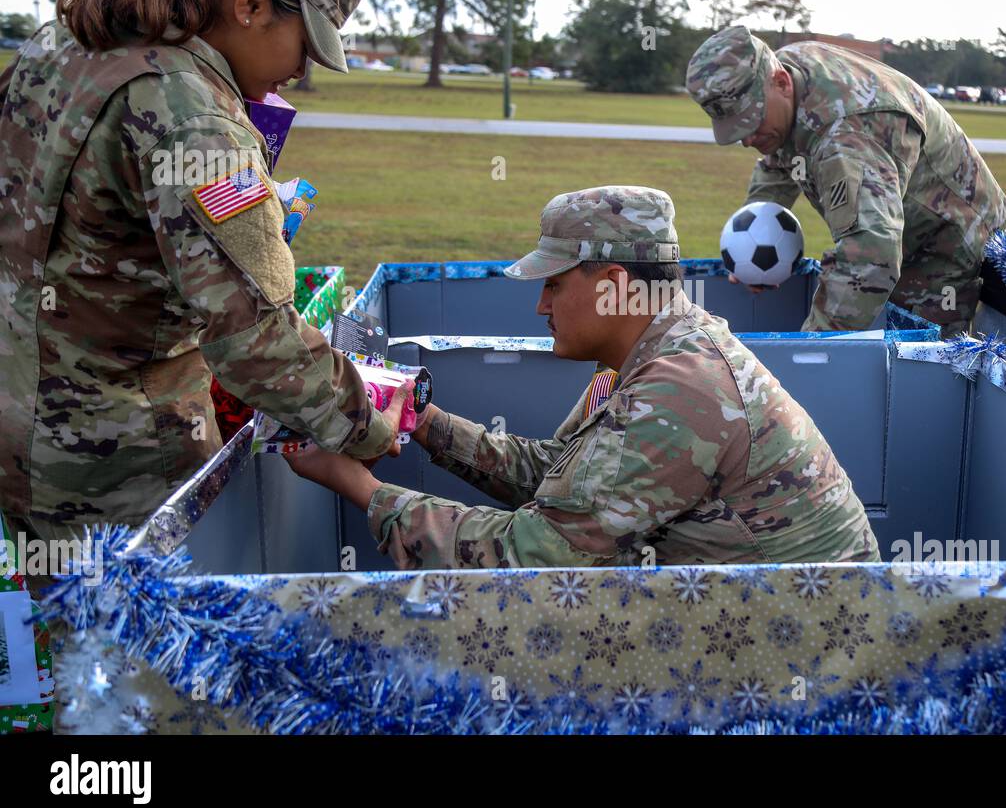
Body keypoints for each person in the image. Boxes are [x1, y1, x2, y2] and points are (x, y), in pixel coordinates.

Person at [0, 0, 401, 542]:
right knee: (151, 642)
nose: (300, 71)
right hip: (125, 461)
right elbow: (256, 344)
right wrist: (370, 426)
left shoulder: (64, 46)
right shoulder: (196, 120)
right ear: (250, 4)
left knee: (64, 631)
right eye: (305, 45)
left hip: (22, 422)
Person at [285, 186, 880, 569]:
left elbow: (531, 557)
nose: (541, 307)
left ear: (613, 283)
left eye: (553, 283)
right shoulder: (661, 347)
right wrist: (423, 419)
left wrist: (358, 486)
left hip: (804, 641)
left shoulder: (680, 391)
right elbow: (555, 478)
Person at [686, 25, 1006, 338]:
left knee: (919, 360)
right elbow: (777, 162)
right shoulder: (786, 73)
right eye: (737, 129)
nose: (747, 139)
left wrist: (804, 352)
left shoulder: (846, 139)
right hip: (895, 225)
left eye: (753, 121)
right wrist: (749, 246)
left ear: (782, 82)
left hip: (948, 235)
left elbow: (871, 260)